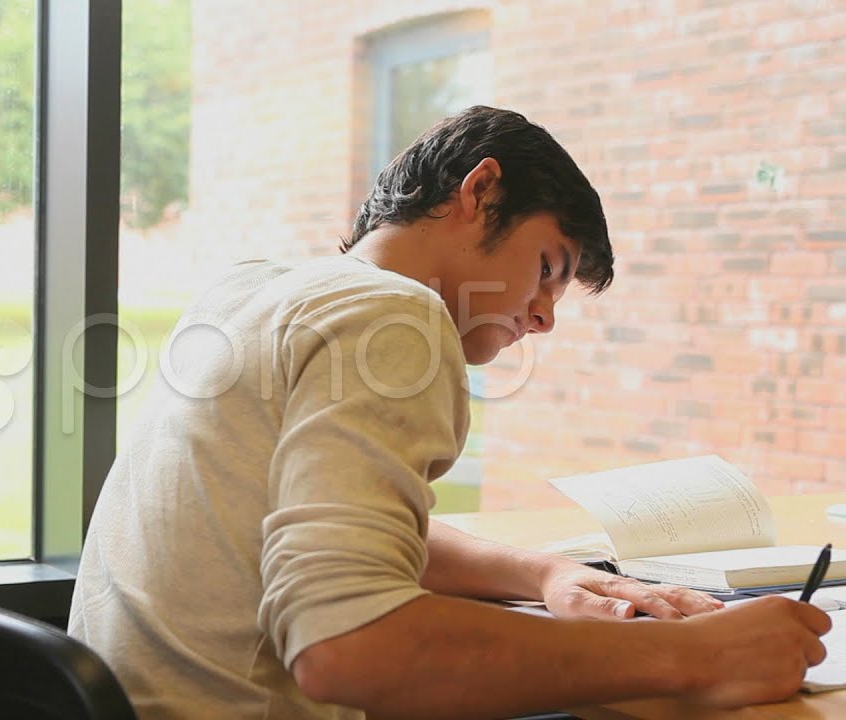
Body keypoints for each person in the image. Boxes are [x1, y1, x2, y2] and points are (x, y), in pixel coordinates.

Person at [68, 106, 830, 720]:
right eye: (546, 271)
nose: (544, 320)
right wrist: (698, 656)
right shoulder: (396, 317)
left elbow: (325, 526)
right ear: (480, 191)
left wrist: (549, 574)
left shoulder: (250, 290)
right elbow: (347, 645)